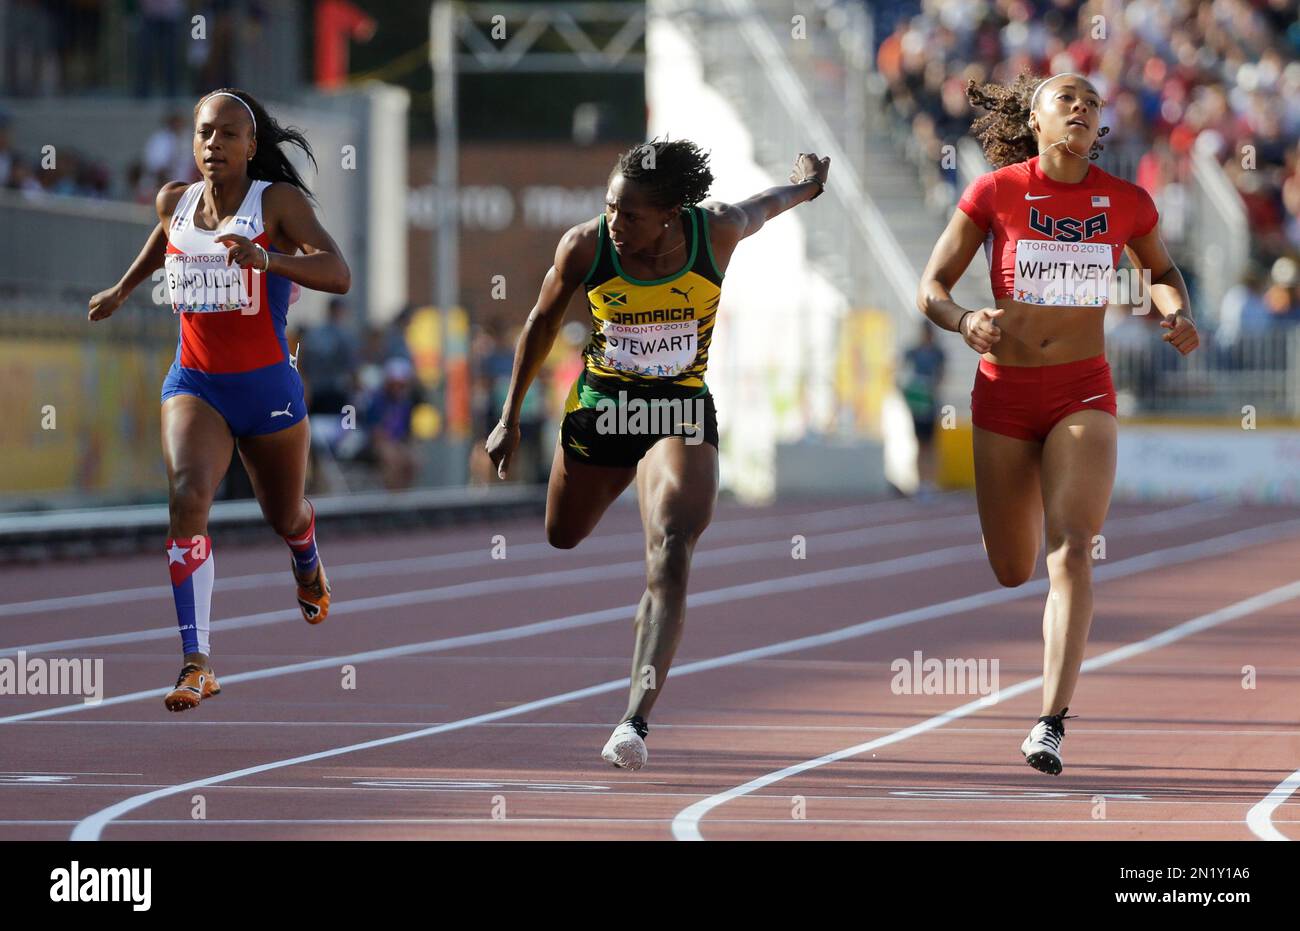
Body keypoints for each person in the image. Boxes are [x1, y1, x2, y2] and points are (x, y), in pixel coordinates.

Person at [485, 139, 830, 769]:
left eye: (633, 215)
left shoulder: (714, 232)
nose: (617, 223)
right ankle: (641, 568)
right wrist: (509, 418)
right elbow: (539, 322)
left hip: (679, 408)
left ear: (671, 213)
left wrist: (805, 185)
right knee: (562, 534)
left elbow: (765, 205)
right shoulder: (584, 246)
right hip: (606, 407)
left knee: (672, 547)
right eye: (611, 207)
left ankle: (633, 721)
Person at [916, 72, 1199, 774]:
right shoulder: (995, 191)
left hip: (1082, 391)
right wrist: (965, 319)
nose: (1081, 107)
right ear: (1036, 122)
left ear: (1099, 126)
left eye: (1092, 102)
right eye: (1066, 99)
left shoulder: (1125, 201)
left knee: (1073, 547)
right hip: (1003, 395)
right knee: (1013, 568)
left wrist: (1174, 311)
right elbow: (931, 288)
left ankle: (1050, 720)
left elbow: (1162, 269)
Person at [88, 88, 351, 712]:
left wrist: (270, 259)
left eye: (229, 134)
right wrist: (124, 288)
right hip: (196, 383)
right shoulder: (173, 201)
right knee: (186, 497)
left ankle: (305, 552)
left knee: (283, 513)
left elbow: (338, 273)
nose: (214, 145)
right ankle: (196, 661)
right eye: (205, 133)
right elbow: (164, 239)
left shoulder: (277, 203)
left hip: (267, 389)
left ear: (252, 145)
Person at [899, 322, 947, 495]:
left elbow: (942, 375)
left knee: (932, 444)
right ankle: (921, 483)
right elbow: (900, 372)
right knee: (920, 444)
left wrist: (930, 388)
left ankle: (932, 482)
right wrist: (909, 390)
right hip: (917, 405)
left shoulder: (938, 353)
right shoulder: (913, 352)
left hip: (932, 403)